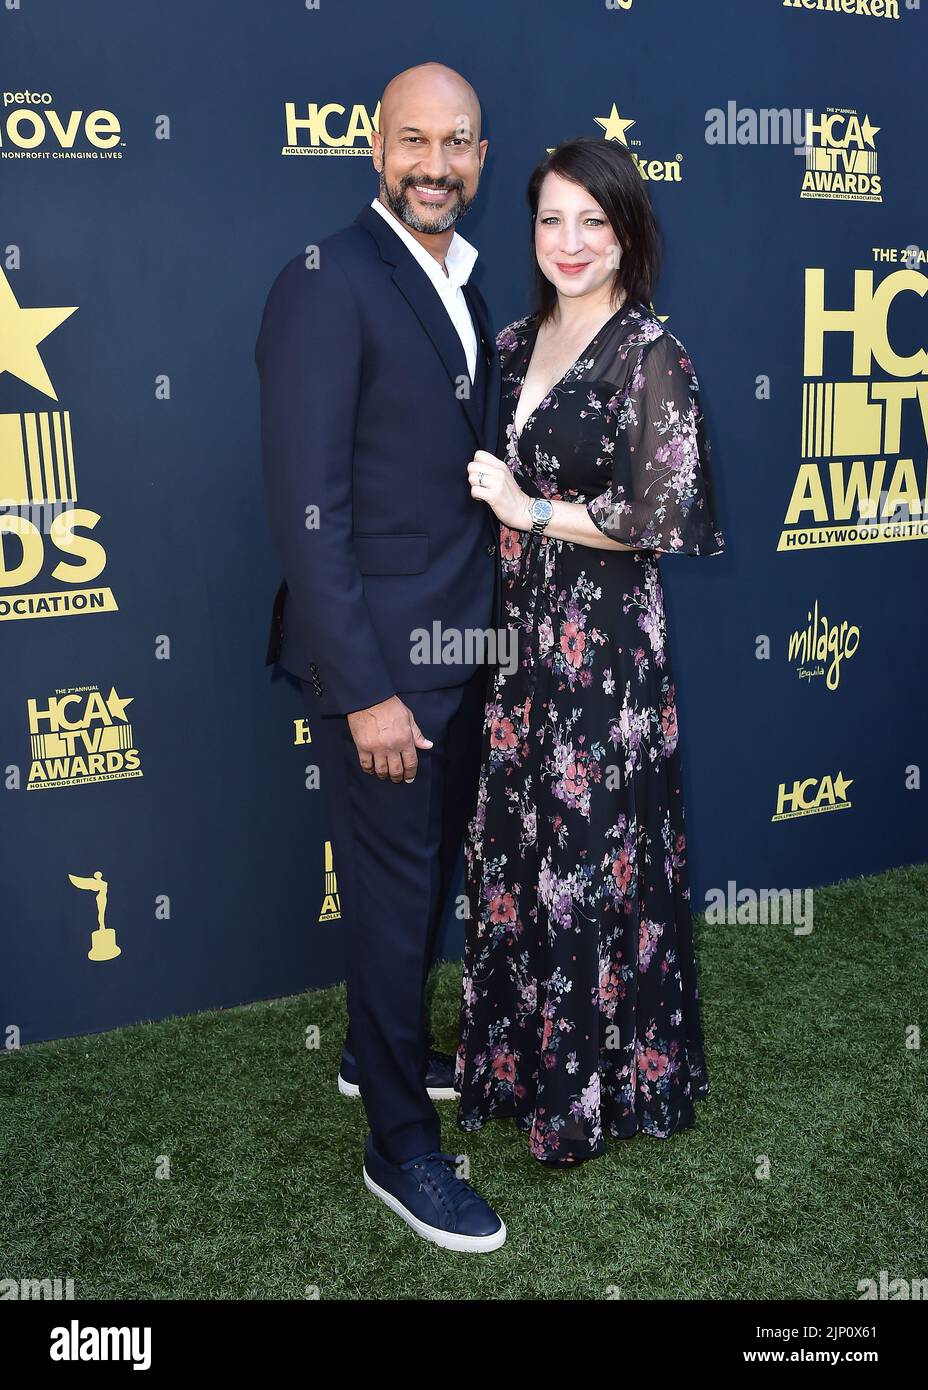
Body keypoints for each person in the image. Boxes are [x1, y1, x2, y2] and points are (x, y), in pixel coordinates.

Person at [256, 62, 506, 1250]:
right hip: (385, 678)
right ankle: (401, 1142)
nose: (436, 165)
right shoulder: (326, 282)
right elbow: (308, 508)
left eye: (457, 144)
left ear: (481, 155)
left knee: (422, 887)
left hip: (463, 652)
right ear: (373, 147)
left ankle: (374, 1051)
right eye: (414, 142)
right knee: (396, 898)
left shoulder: (460, 277)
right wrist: (365, 695)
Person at [456, 136, 726, 1167]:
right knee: (523, 852)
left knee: (590, 856)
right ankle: (517, 1063)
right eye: (550, 220)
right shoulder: (517, 340)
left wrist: (529, 507)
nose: (569, 242)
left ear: (627, 233)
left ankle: (595, 1087)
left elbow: (656, 511)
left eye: (592, 221)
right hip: (522, 644)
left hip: (603, 652)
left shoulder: (651, 349)